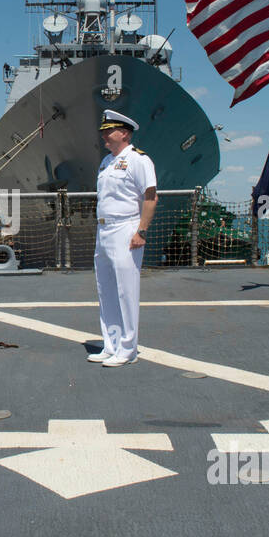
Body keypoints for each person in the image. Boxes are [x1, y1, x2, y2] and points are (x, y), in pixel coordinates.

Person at [89, 109, 157, 368]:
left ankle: (128, 349)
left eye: (109, 131)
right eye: (104, 131)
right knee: (105, 289)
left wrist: (141, 231)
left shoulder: (139, 160)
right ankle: (112, 344)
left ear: (124, 133)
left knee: (125, 291)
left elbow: (150, 197)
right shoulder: (106, 162)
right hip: (104, 230)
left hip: (126, 229)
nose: (104, 135)